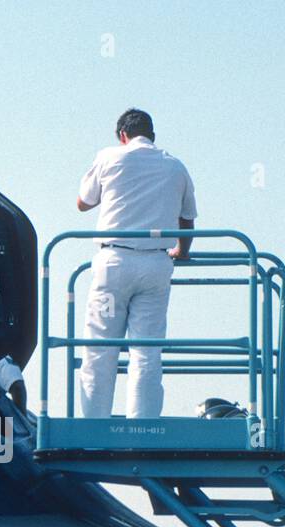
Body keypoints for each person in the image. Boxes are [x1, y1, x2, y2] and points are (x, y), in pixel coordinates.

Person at [76, 108, 197, 418]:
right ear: (153, 136)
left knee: (100, 348)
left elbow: (82, 203)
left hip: (113, 262)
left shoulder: (109, 157)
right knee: (146, 352)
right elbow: (187, 221)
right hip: (156, 266)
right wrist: (181, 252)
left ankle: (93, 426)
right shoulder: (175, 167)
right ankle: (143, 427)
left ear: (122, 136)